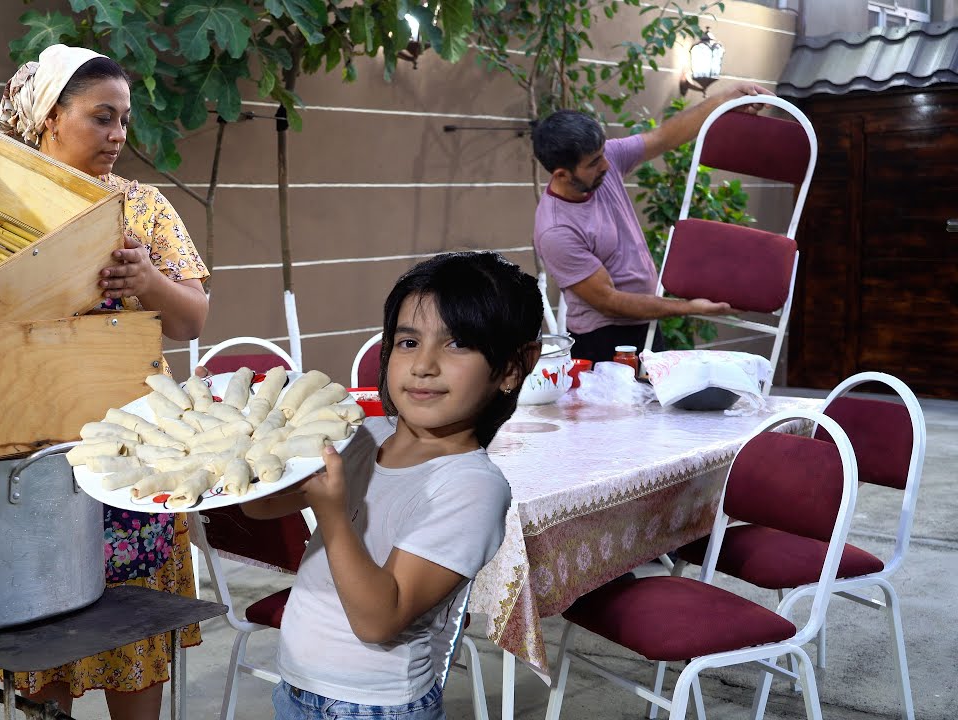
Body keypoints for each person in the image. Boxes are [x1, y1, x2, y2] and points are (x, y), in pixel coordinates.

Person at [0, 44, 209, 719]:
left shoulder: (142, 209)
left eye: (123, 121)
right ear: (50, 118)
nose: (118, 136)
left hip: (132, 453)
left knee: (132, 617)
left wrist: (148, 282)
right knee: (41, 621)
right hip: (31, 450)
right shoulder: (2, 207)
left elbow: (193, 317)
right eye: (101, 118)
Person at [244, 251, 542, 720]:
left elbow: (379, 620)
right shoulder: (363, 435)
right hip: (298, 686)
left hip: (375, 706)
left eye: (457, 343)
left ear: (511, 368)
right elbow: (260, 508)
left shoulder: (472, 488)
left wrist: (333, 514)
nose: (423, 365)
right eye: (407, 341)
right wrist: (240, 446)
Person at [531, 82, 774, 365]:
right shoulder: (556, 231)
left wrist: (726, 99)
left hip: (644, 324)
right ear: (562, 174)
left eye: (603, 154)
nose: (607, 165)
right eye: (595, 162)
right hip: (602, 342)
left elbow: (663, 137)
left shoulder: (603, 161)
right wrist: (687, 308)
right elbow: (610, 301)